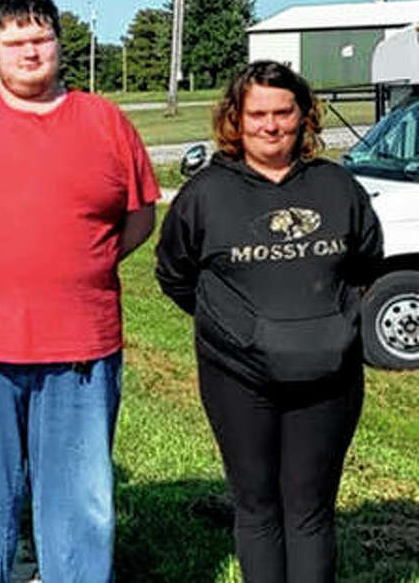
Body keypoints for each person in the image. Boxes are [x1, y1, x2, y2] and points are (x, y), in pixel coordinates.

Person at [0, 0, 160, 582]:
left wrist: (82, 263)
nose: (29, 50)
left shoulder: (105, 121)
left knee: (80, 507)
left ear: (59, 45)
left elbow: (140, 216)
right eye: (14, 39)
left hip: (79, 347)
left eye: (40, 38)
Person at [156, 60, 382, 583]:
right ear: (235, 119)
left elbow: (366, 264)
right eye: (258, 113)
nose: (271, 125)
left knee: (309, 510)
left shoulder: (336, 185)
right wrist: (240, 331)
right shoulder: (206, 194)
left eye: (284, 112)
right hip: (238, 378)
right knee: (257, 507)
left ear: (305, 116)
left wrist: (319, 325)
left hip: (328, 375)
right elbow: (175, 274)